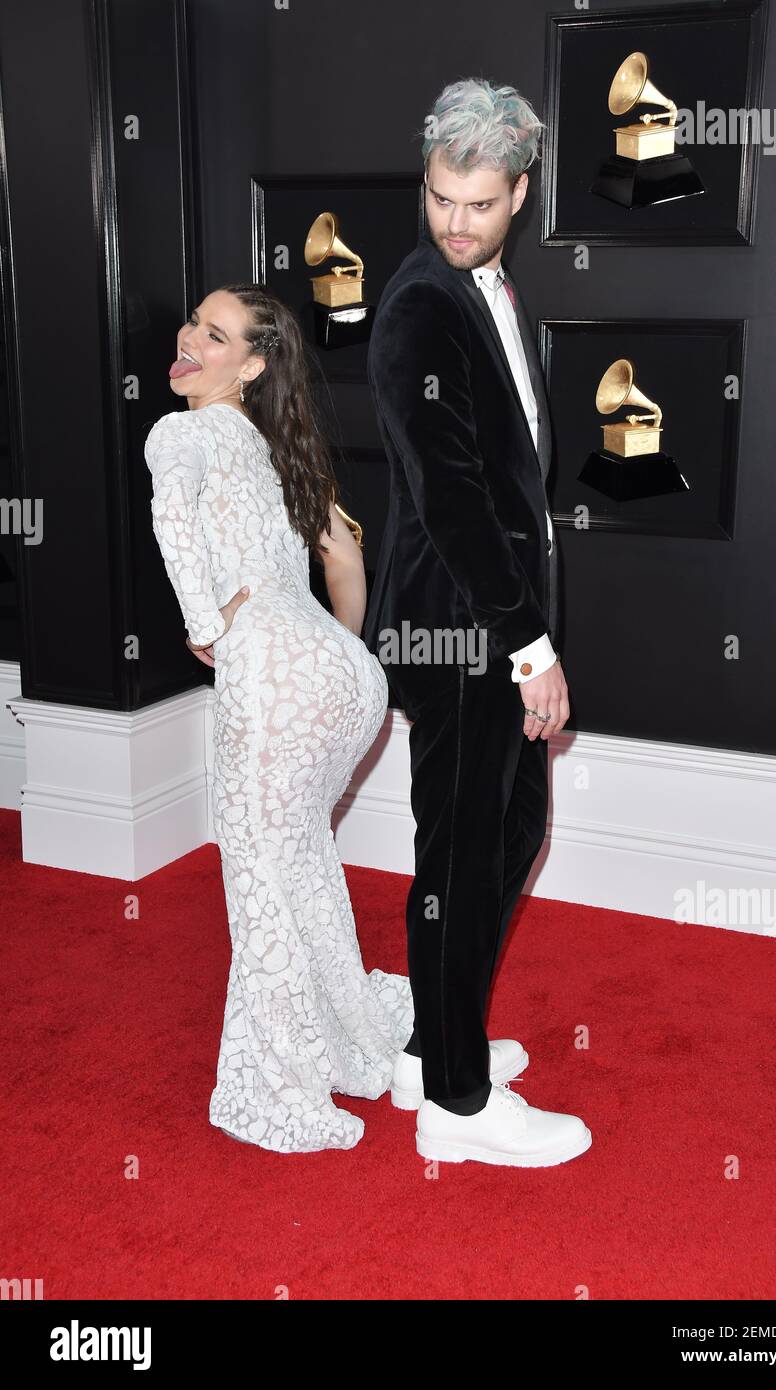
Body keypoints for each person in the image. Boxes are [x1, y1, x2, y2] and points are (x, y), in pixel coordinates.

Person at [363, 79, 592, 1167]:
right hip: (461, 632)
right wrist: (529, 646)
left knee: (504, 834)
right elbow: (452, 498)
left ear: (521, 194)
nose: (454, 223)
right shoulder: (418, 303)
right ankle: (454, 1105)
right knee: (462, 848)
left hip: (486, 620)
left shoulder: (486, 292)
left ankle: (427, 1042)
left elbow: (512, 476)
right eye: (440, 199)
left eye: (479, 204)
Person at [144, 284, 414, 1154]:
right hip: (344, 677)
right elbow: (346, 556)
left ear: (251, 366)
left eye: (214, 335)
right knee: (302, 860)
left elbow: (171, 519)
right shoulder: (281, 448)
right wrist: (336, 655)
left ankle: (285, 1082)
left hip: (271, 671)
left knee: (262, 878)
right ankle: (351, 1037)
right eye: (194, 322)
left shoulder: (180, 432)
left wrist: (204, 625)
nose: (189, 339)